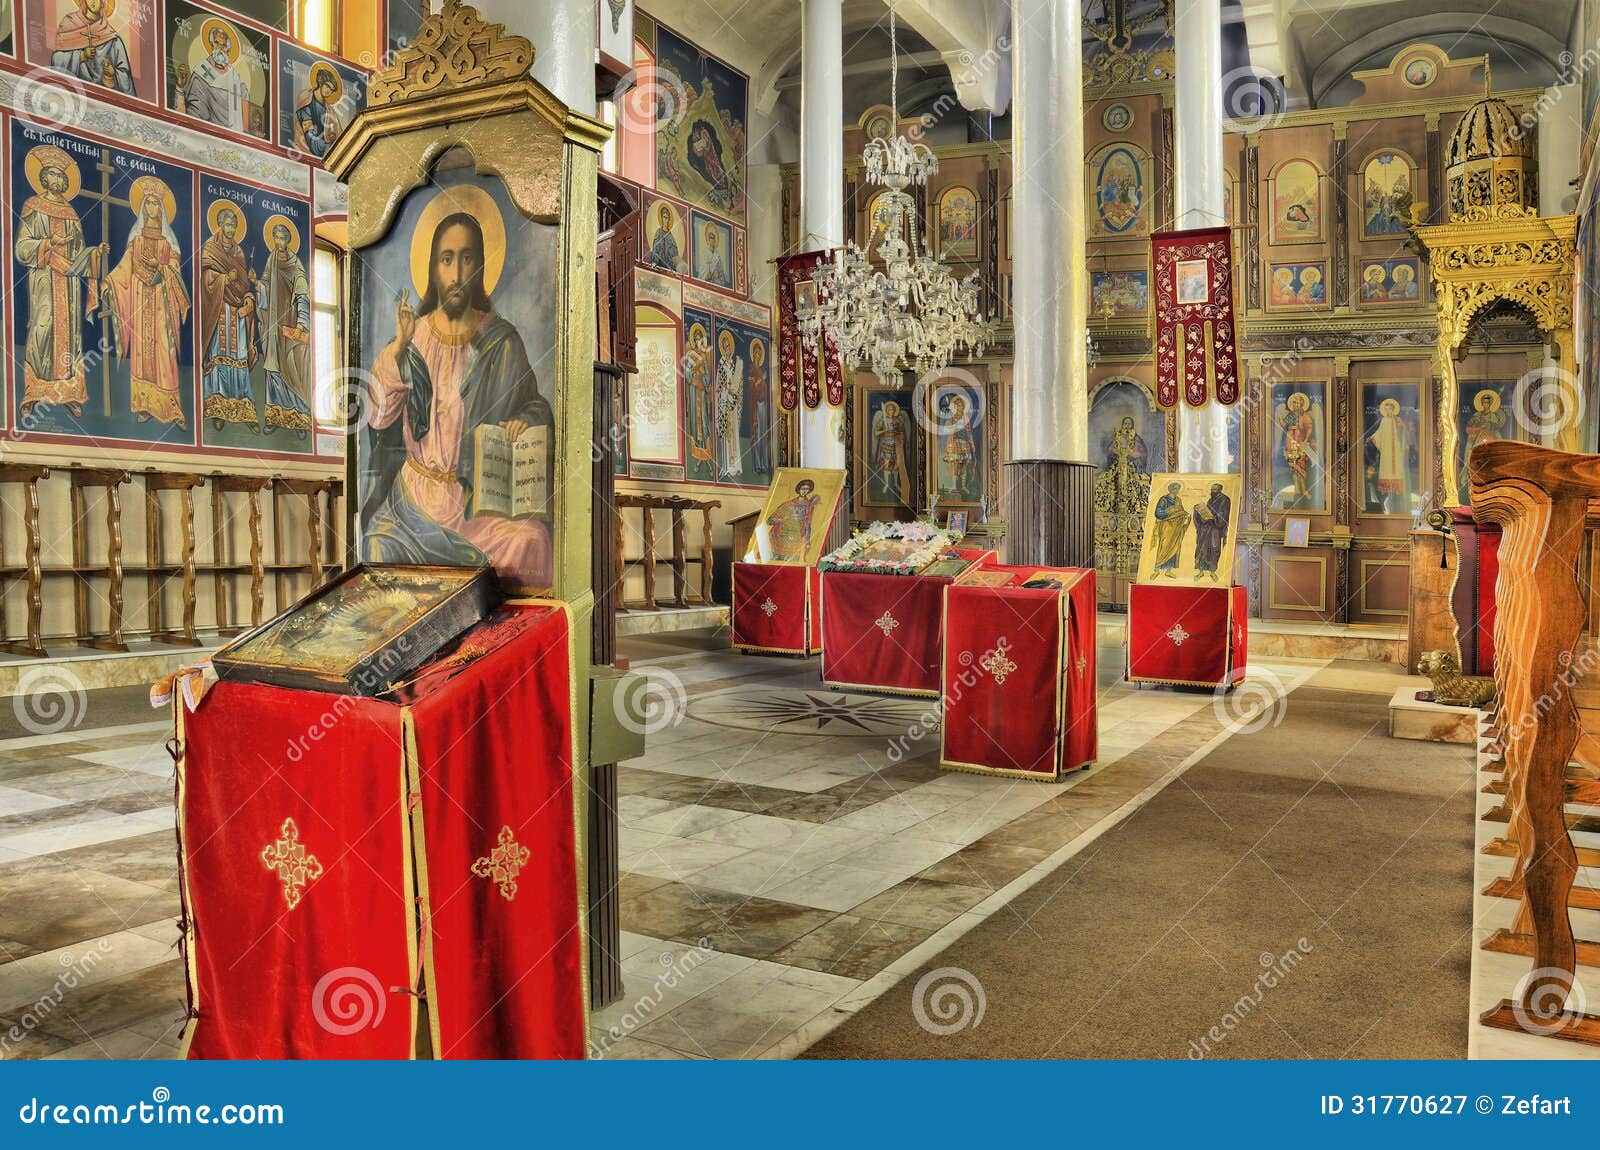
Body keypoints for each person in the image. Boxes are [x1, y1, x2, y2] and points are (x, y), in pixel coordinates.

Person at [364, 203, 555, 590]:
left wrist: (527, 420)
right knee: (377, 544)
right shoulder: (410, 340)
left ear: (481, 267)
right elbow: (379, 418)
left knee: (531, 541)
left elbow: (535, 405)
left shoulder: (502, 341)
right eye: (446, 260)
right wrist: (397, 350)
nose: (456, 274)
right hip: (415, 498)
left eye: (467, 259)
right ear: (434, 269)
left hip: (477, 505)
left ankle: (500, 644)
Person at [15, 146, 107, 419]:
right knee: (42, 331)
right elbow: (22, 248)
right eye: (51, 175)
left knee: (70, 336)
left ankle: (69, 393)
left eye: (59, 176)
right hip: (44, 281)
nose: (56, 180)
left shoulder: (70, 213)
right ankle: (34, 393)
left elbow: (79, 254)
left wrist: (95, 254)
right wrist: (49, 243)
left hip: (67, 285)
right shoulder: (33, 206)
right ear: (43, 178)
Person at [105, 176, 189, 427]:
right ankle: (143, 406)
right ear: (143, 208)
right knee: (143, 352)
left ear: (162, 210)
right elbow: (124, 268)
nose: (153, 208)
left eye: (156, 204)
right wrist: (108, 283)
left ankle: (171, 407)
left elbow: (175, 269)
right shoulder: (136, 240)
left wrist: (161, 268)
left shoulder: (168, 242)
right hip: (141, 301)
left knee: (166, 350)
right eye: (149, 203)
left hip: (163, 301)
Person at [199, 203, 259, 430]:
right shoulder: (210, 248)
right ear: (220, 225)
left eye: (234, 224)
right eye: (227, 224)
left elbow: (244, 285)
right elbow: (205, 278)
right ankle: (218, 408)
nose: (231, 228)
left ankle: (244, 409)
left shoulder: (239, 252)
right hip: (219, 309)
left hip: (237, 313)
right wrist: (224, 278)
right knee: (218, 356)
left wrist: (248, 300)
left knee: (239, 358)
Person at [254, 219, 313, 436]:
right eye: (275, 238)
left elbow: (302, 296)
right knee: (272, 369)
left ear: (288, 240)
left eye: (282, 238)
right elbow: (267, 284)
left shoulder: (295, 265)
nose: (278, 242)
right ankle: (275, 418)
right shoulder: (272, 259)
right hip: (273, 325)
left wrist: (301, 324)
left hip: (289, 326)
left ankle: (299, 419)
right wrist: (258, 285)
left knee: (293, 371)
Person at [181, 21, 252, 134]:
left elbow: (245, 99)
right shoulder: (201, 71)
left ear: (228, 50)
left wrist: (246, 130)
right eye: (217, 43)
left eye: (224, 46)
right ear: (211, 44)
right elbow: (195, 107)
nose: (220, 48)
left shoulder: (235, 76)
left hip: (235, 134)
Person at [51, 0, 134, 94]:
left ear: (103, 3)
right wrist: (81, 56)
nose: (93, 2)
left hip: (103, 96)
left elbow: (125, 74)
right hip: (75, 93)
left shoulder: (113, 39)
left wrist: (113, 73)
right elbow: (56, 59)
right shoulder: (69, 23)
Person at [293, 62, 343, 158]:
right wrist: (327, 145)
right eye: (328, 87)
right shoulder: (306, 99)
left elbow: (337, 135)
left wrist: (332, 137)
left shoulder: (329, 110)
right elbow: (309, 135)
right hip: (308, 143)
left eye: (332, 90)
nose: (329, 91)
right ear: (320, 82)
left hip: (323, 145)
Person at [766, 478, 821, 562]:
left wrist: (807, 541)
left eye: (807, 489)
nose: (804, 491)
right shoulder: (787, 504)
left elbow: (807, 524)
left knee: (792, 562)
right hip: (780, 538)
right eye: (802, 488)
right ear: (798, 489)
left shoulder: (809, 506)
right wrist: (781, 520)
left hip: (796, 538)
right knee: (775, 560)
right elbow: (769, 521)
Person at [1278, 392, 1317, 508]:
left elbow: (1309, 429)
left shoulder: (1305, 415)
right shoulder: (1290, 414)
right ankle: (1297, 489)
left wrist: (1305, 440)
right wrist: (1280, 417)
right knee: (1292, 463)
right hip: (1290, 438)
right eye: (1294, 403)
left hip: (1301, 438)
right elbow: (1284, 424)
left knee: (1301, 462)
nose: (1296, 405)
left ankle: (1304, 489)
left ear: (1302, 404)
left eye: (1299, 403)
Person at [871, 397, 912, 504]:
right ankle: (886, 483)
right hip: (885, 443)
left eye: (892, 410)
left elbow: (902, 432)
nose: (890, 411)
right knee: (886, 463)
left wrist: (899, 435)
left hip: (896, 444)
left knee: (896, 464)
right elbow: (876, 433)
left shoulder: (898, 420)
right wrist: (885, 430)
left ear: (895, 411)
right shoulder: (882, 420)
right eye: (889, 410)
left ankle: (894, 483)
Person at [715, 328, 743, 478]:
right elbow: (719, 384)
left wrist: (735, 393)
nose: (727, 350)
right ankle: (727, 465)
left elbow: (737, 383)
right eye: (725, 347)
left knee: (734, 435)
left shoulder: (733, 364)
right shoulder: (721, 364)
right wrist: (726, 392)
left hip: (732, 402)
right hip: (725, 402)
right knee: (727, 435)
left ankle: (736, 465)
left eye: (728, 347)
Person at [1191, 482, 1232, 582]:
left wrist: (1214, 517)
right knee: (1201, 549)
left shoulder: (1225, 500)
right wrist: (1199, 511)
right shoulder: (1211, 499)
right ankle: (1201, 572)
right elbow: (1207, 511)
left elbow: (1223, 514)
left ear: (1219, 490)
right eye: (1211, 490)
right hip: (1205, 529)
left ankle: (1213, 572)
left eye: (1214, 490)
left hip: (1215, 530)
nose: (1212, 492)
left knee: (1214, 550)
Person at [1147, 481, 1189, 577]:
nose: (1176, 491)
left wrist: (1185, 514)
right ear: (1170, 489)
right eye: (1174, 488)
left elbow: (1180, 510)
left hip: (1176, 527)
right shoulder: (1164, 499)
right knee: (1163, 546)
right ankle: (1157, 570)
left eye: (1177, 489)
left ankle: (1168, 570)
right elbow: (1158, 513)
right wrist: (1169, 510)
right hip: (1166, 527)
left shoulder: (1178, 500)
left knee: (1174, 547)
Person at [745, 338, 770, 476]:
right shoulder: (751, 370)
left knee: (762, 435)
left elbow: (762, 388)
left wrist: (762, 382)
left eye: (759, 355)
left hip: (762, 406)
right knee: (756, 434)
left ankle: (762, 464)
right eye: (756, 354)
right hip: (755, 406)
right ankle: (756, 465)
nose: (757, 356)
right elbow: (752, 387)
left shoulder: (760, 370)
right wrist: (760, 381)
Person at [647, 203, 682, 272]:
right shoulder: (658, 232)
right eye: (664, 217)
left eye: (667, 217)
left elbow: (675, 253)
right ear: (661, 218)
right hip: (659, 262)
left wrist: (672, 255)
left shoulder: (671, 236)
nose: (665, 219)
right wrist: (655, 260)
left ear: (669, 219)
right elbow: (655, 248)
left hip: (669, 265)